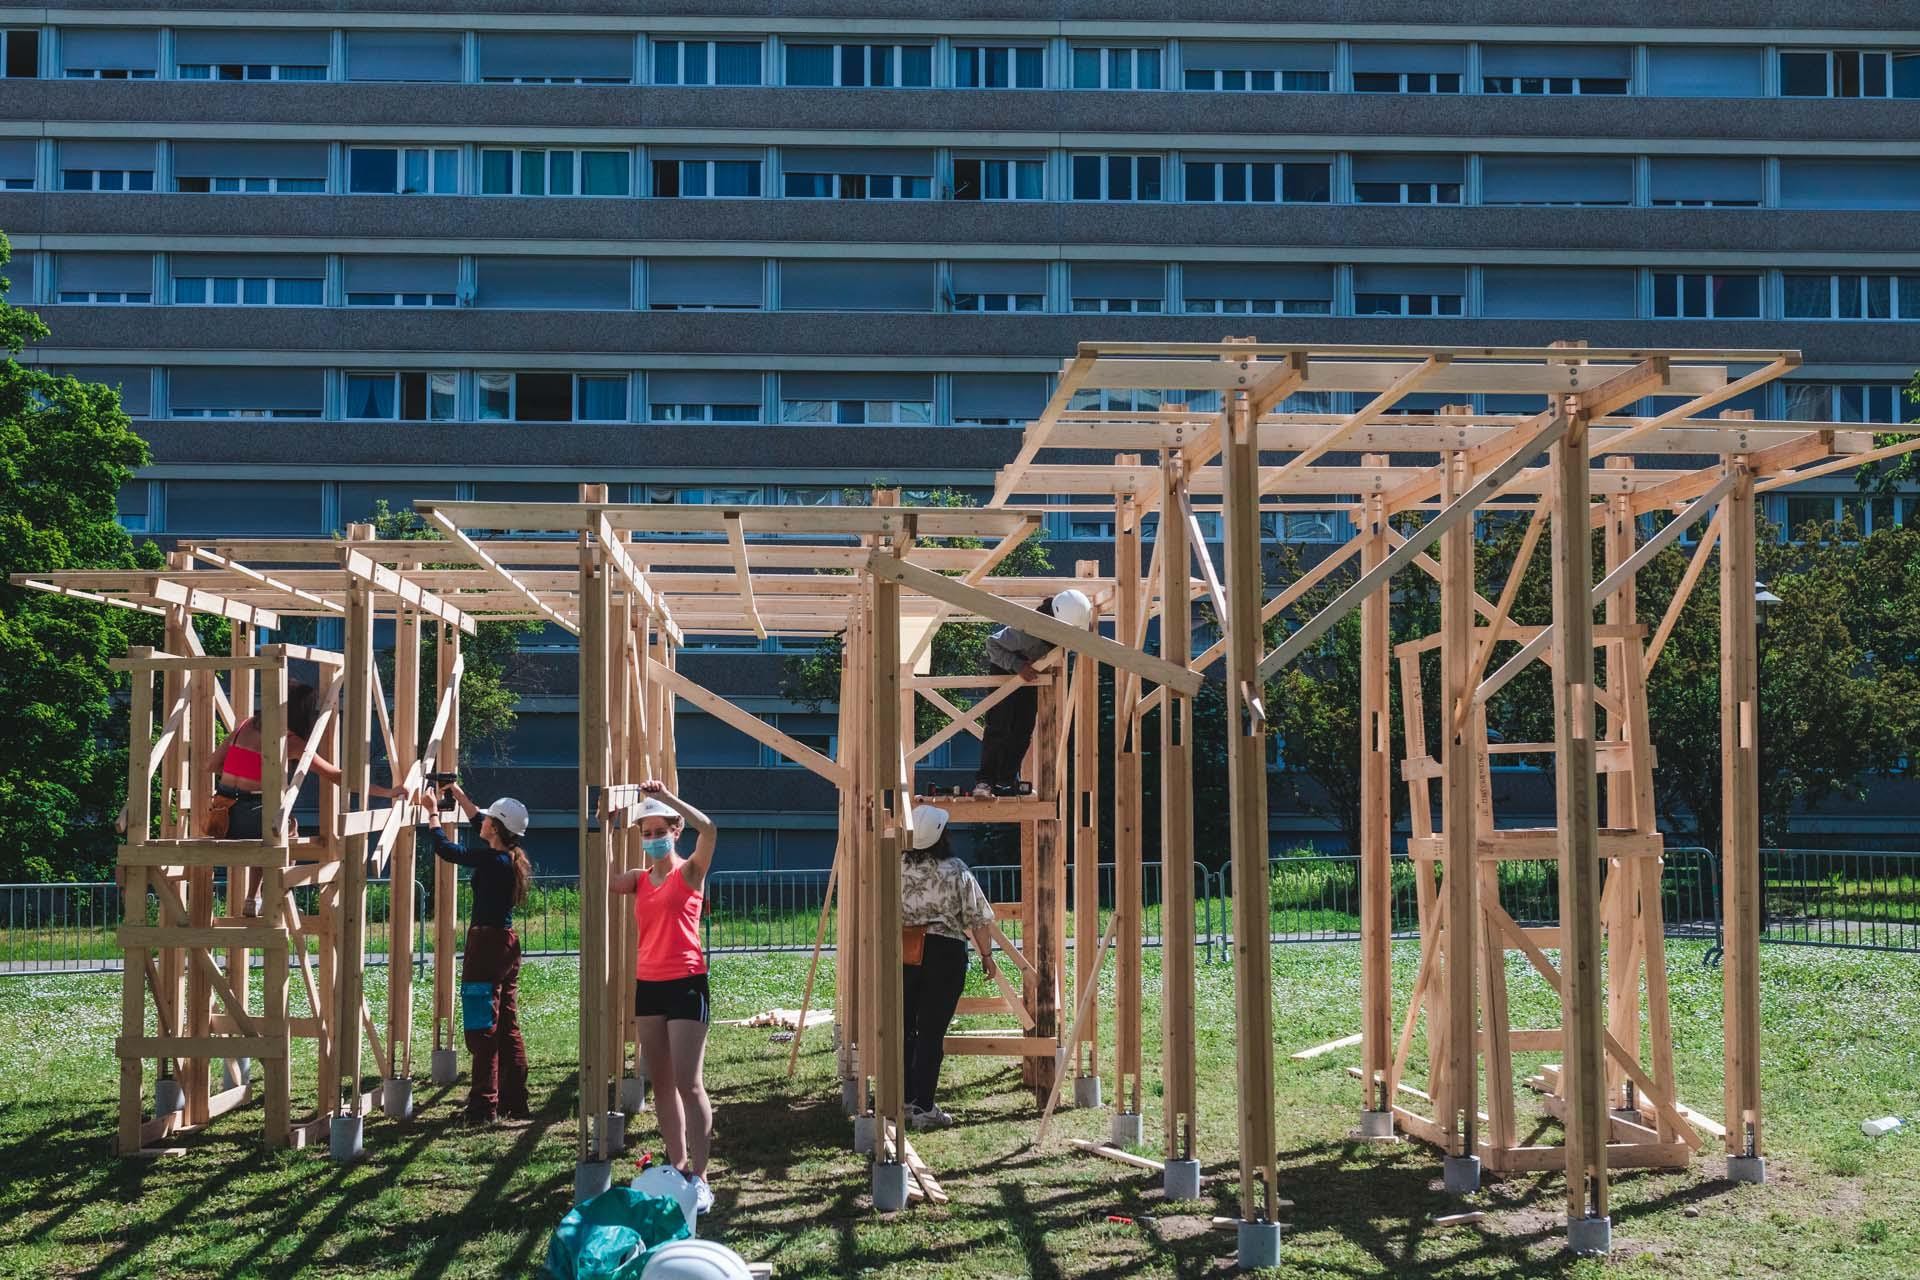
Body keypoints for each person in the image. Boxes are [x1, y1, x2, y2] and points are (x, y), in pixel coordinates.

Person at [611, 780, 719, 1214]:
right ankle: (676, 1167)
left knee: (689, 1084)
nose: (653, 840)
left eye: (660, 831)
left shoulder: (689, 872)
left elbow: (709, 829)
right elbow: (603, 879)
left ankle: (702, 1175)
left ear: (675, 831)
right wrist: (608, 821)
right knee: (661, 1084)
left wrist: (670, 799)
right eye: (647, 833)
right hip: (649, 984)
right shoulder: (638, 880)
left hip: (687, 982)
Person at [208, 680, 401, 916]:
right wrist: (388, 792)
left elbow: (212, 765)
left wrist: (242, 771)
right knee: (284, 828)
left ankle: (254, 898)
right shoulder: (289, 741)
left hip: (221, 816)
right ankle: (264, 896)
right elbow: (338, 776)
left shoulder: (243, 726)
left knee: (270, 820)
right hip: (253, 819)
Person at [421, 782, 533, 1124]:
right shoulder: (503, 855)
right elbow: (476, 821)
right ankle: (514, 1100)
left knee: (482, 1025)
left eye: (488, 818)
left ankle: (483, 1106)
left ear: (496, 828)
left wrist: (432, 814)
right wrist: (456, 792)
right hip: (504, 944)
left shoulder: (492, 860)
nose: (481, 819)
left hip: (486, 948)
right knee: (506, 1024)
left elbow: (448, 851)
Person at [899, 803, 997, 1130]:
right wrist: (987, 956)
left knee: (903, 1028)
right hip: (945, 953)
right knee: (931, 1031)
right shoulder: (956, 870)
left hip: (902, 950)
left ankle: (902, 1098)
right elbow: (978, 918)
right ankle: (925, 1107)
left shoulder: (894, 866)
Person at [972, 588, 1093, 799]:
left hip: (1031, 673)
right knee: (999, 726)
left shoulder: (1067, 621)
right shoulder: (1027, 630)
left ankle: (1006, 780)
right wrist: (1017, 665)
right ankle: (986, 781)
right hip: (1006, 669)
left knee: (1023, 728)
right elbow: (992, 644)